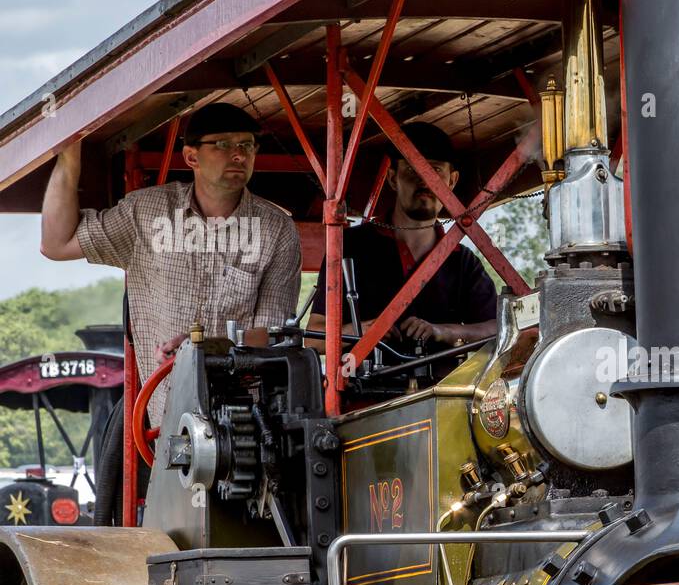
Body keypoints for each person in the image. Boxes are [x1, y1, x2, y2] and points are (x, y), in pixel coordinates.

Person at [40, 103, 302, 424]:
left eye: (246, 145)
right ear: (191, 157)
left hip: (244, 418)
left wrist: (208, 348)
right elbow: (56, 244)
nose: (238, 154)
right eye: (223, 144)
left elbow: (269, 337)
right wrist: (69, 156)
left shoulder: (276, 229)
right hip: (162, 416)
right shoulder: (147, 212)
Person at [306, 122, 497, 379]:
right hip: (363, 400)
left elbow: (499, 328)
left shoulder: (462, 261)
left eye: (435, 171)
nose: (424, 181)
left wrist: (446, 332)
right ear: (393, 178)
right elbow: (313, 338)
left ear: (452, 181)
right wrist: (363, 330)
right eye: (412, 170)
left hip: (440, 398)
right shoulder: (350, 246)